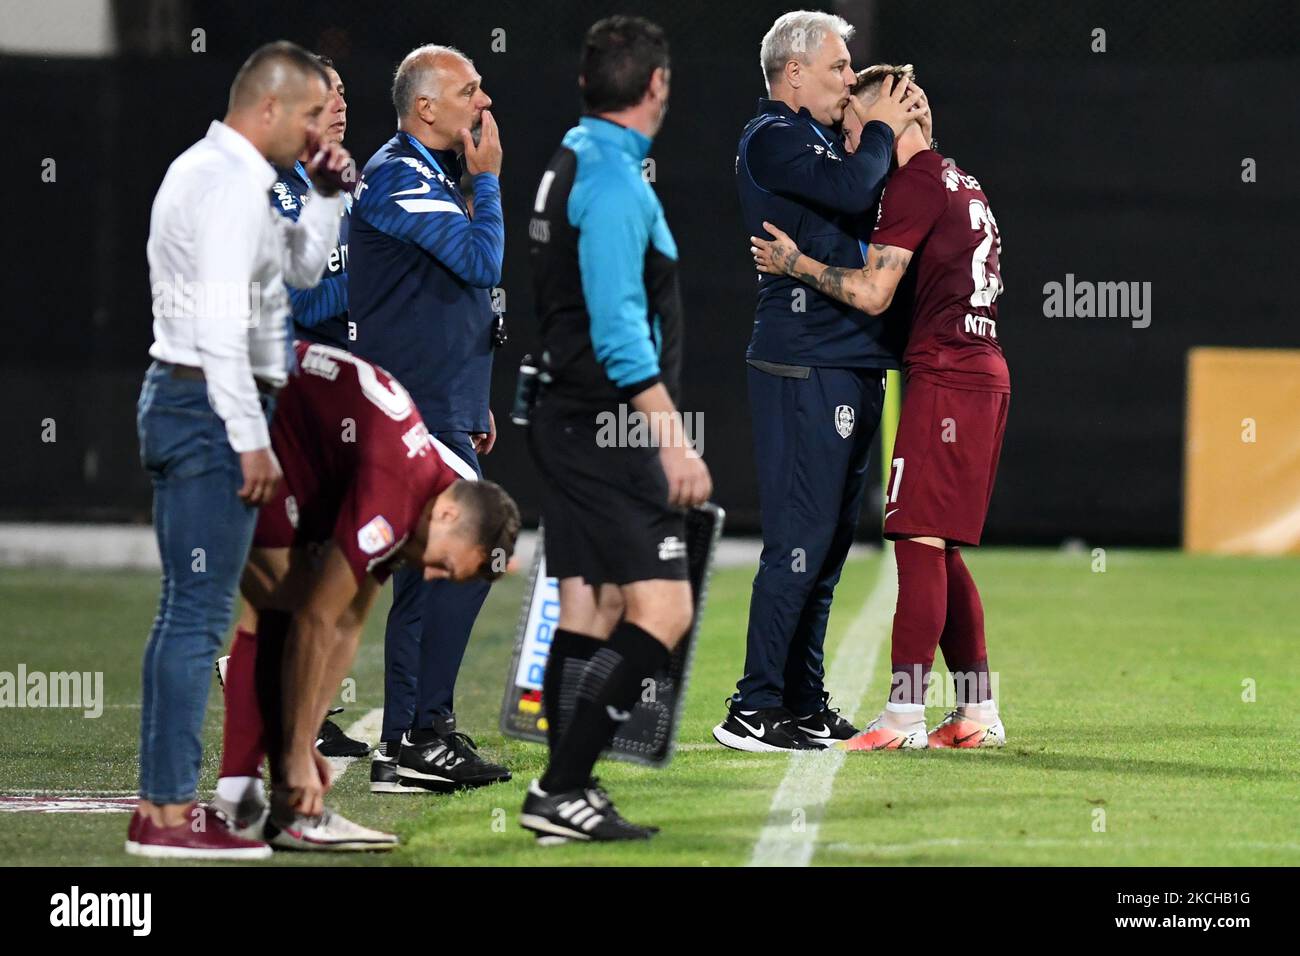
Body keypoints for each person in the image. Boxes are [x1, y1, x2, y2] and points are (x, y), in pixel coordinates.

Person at [128, 41, 351, 859]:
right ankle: (164, 816)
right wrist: (251, 439)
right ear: (268, 108)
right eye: (310, 115)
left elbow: (300, 270)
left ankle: (168, 806)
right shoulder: (225, 183)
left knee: (196, 612)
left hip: (200, 401)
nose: (318, 131)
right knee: (195, 617)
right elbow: (222, 328)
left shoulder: (235, 176)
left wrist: (326, 195)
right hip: (208, 407)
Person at [750, 64, 1008, 752]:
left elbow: (871, 293)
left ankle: (901, 717)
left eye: (851, 129)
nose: (848, 146)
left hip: (948, 376)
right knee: (940, 550)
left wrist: (795, 264)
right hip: (981, 371)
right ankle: (977, 710)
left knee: (918, 545)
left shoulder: (915, 183)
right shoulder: (961, 180)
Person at [714, 10, 928, 753]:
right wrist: (879, 127)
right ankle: (754, 705)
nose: (848, 79)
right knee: (799, 539)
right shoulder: (772, 134)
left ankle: (802, 700)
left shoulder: (821, 139)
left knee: (831, 544)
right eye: (838, 66)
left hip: (850, 358)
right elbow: (851, 189)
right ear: (794, 71)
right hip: (803, 357)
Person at [521, 15, 712, 844]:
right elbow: (620, 331)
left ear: (586, 83)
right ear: (657, 85)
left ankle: (565, 794)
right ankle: (561, 787)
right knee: (663, 611)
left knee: (589, 606)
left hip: (567, 419)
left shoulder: (573, 156)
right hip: (608, 429)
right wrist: (672, 438)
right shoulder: (613, 183)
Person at [215, 340, 521, 850]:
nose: (434, 577)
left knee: (278, 612)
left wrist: (305, 736)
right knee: (279, 611)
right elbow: (319, 619)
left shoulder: (428, 488)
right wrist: (297, 752)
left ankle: (244, 800)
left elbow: (348, 625)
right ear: (449, 514)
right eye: (445, 566)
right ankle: (228, 804)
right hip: (233, 409)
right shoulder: (396, 494)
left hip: (274, 422)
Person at [350, 44, 511, 793]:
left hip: (436, 405)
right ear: (424, 107)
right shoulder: (396, 175)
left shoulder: (430, 176)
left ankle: (409, 740)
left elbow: (444, 298)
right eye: (468, 90)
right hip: (406, 411)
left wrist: (470, 397)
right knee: (479, 549)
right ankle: (419, 732)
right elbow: (481, 264)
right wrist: (490, 182)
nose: (483, 102)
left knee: (430, 572)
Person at [214, 55, 365, 795]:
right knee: (296, 566)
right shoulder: (276, 187)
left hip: (330, 394)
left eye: (342, 95)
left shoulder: (343, 183)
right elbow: (297, 300)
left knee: (310, 561)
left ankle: (292, 705)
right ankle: (268, 705)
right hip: (289, 393)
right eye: (324, 97)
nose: (338, 107)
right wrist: (368, 285)